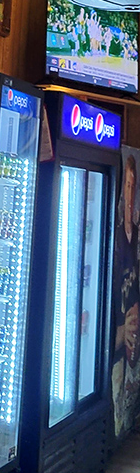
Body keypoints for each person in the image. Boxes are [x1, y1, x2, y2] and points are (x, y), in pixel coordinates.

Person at [113, 154, 140, 435]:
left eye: (134, 186)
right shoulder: (115, 238)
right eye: (128, 187)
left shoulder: (136, 236)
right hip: (114, 356)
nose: (131, 194)